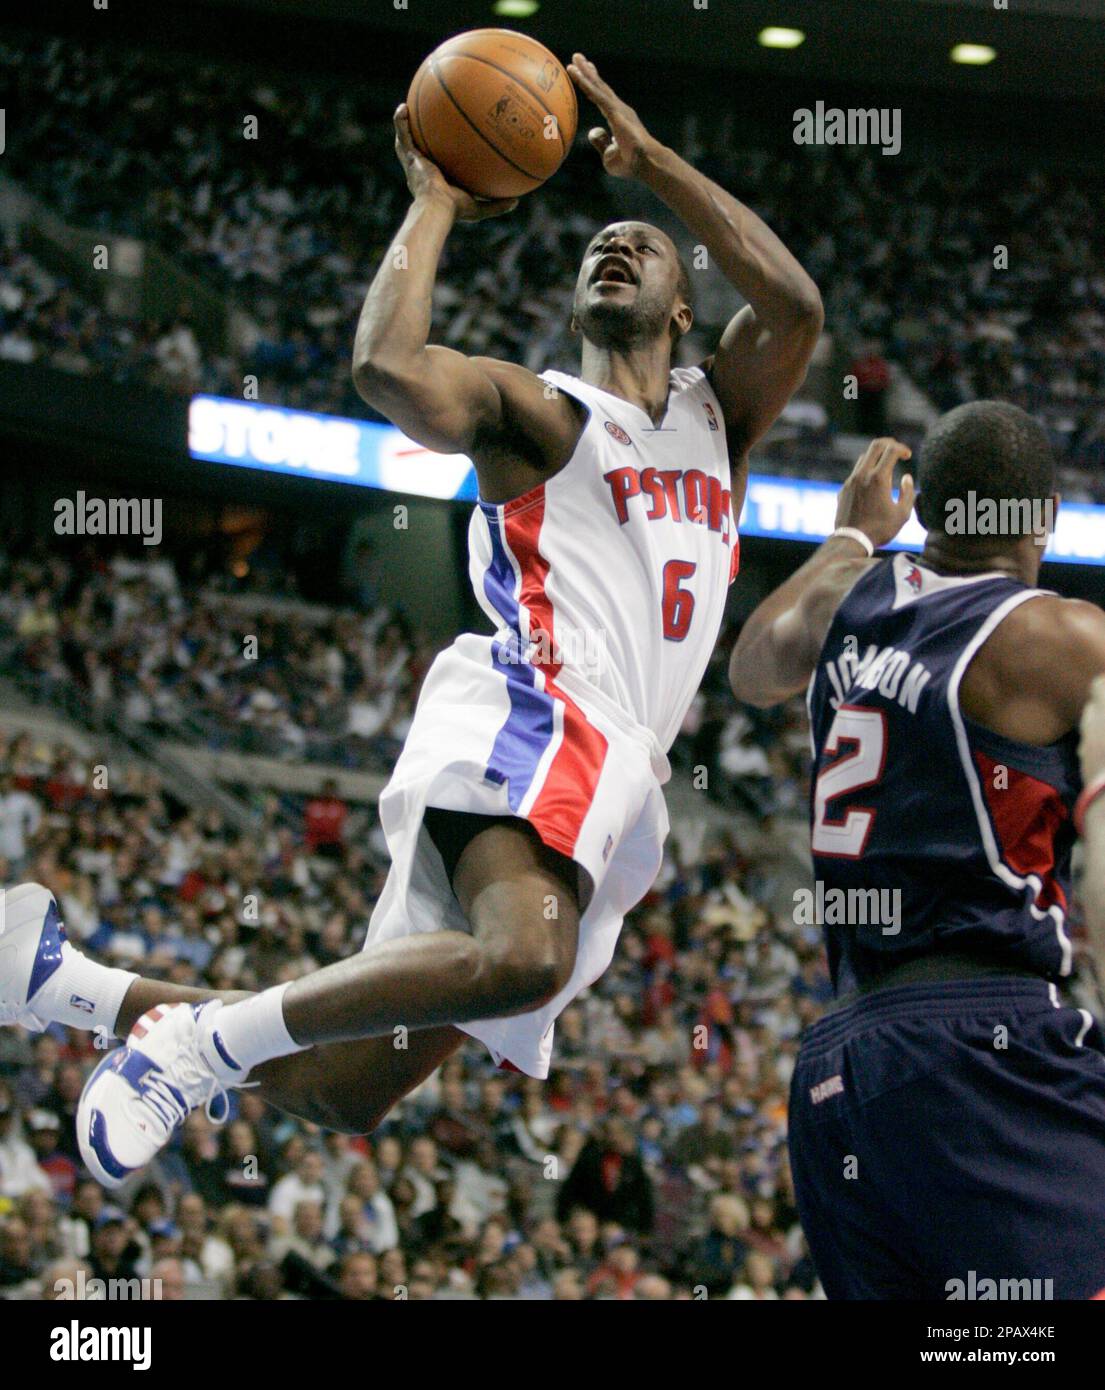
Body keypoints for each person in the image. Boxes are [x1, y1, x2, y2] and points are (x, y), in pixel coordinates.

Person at [0, 54, 822, 1184]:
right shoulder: (538, 411)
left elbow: (794, 304)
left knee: (343, 1084)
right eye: (596, 244)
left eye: (642, 245)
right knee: (524, 956)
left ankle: (69, 989)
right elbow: (385, 366)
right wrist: (435, 202)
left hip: (620, 771)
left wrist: (655, 163)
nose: (612, 245)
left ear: (685, 305)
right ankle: (190, 1041)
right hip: (537, 705)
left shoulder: (718, 420)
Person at [729, 406, 1105, 1299]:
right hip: (989, 1047)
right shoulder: (1057, 635)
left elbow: (751, 670)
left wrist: (852, 534)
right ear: (1044, 517)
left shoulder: (848, 602)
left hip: (843, 1067)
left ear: (924, 508)